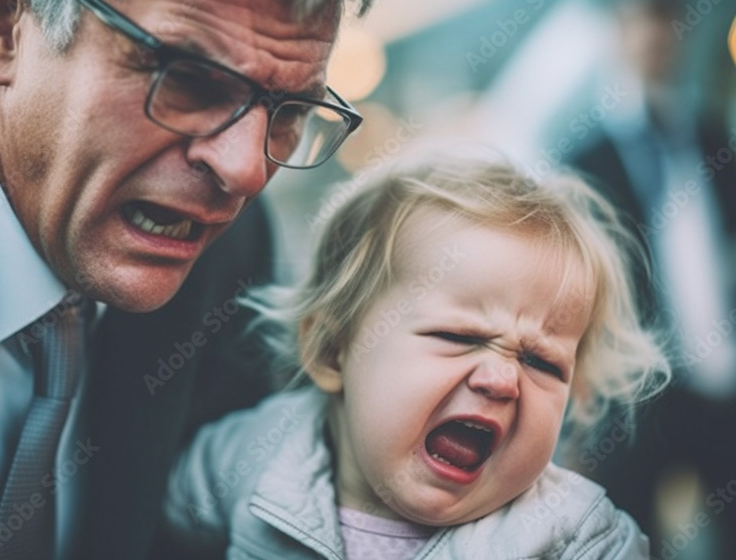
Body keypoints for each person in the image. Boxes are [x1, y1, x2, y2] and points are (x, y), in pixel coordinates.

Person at [0, 0, 368, 557]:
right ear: (2, 21)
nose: (245, 171)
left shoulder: (226, 252)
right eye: (190, 80)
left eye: (290, 111)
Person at [162, 150, 672, 559]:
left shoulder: (579, 541)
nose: (502, 378)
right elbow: (143, 526)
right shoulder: (248, 456)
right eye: (460, 336)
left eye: (541, 362)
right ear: (332, 351)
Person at [570, 0, 736, 555]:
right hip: (642, 394)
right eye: (641, 19)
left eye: (668, 18)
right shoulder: (587, 162)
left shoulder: (716, 138)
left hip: (727, 378)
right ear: (617, 32)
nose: (656, 34)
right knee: (630, 536)